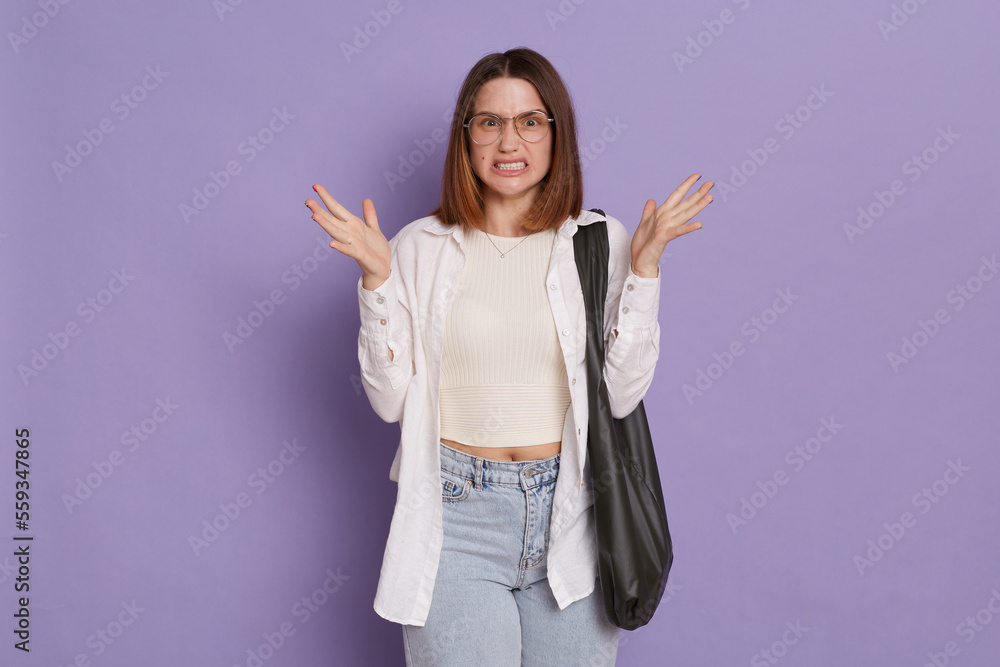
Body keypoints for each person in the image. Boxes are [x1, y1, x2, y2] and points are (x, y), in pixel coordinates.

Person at [304, 47, 713, 667]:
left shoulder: (600, 242)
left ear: (557, 135)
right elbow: (389, 403)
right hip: (456, 521)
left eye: (530, 121)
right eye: (489, 122)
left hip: (572, 517)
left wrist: (647, 271)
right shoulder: (418, 248)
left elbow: (622, 394)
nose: (509, 140)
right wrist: (377, 279)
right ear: (466, 138)